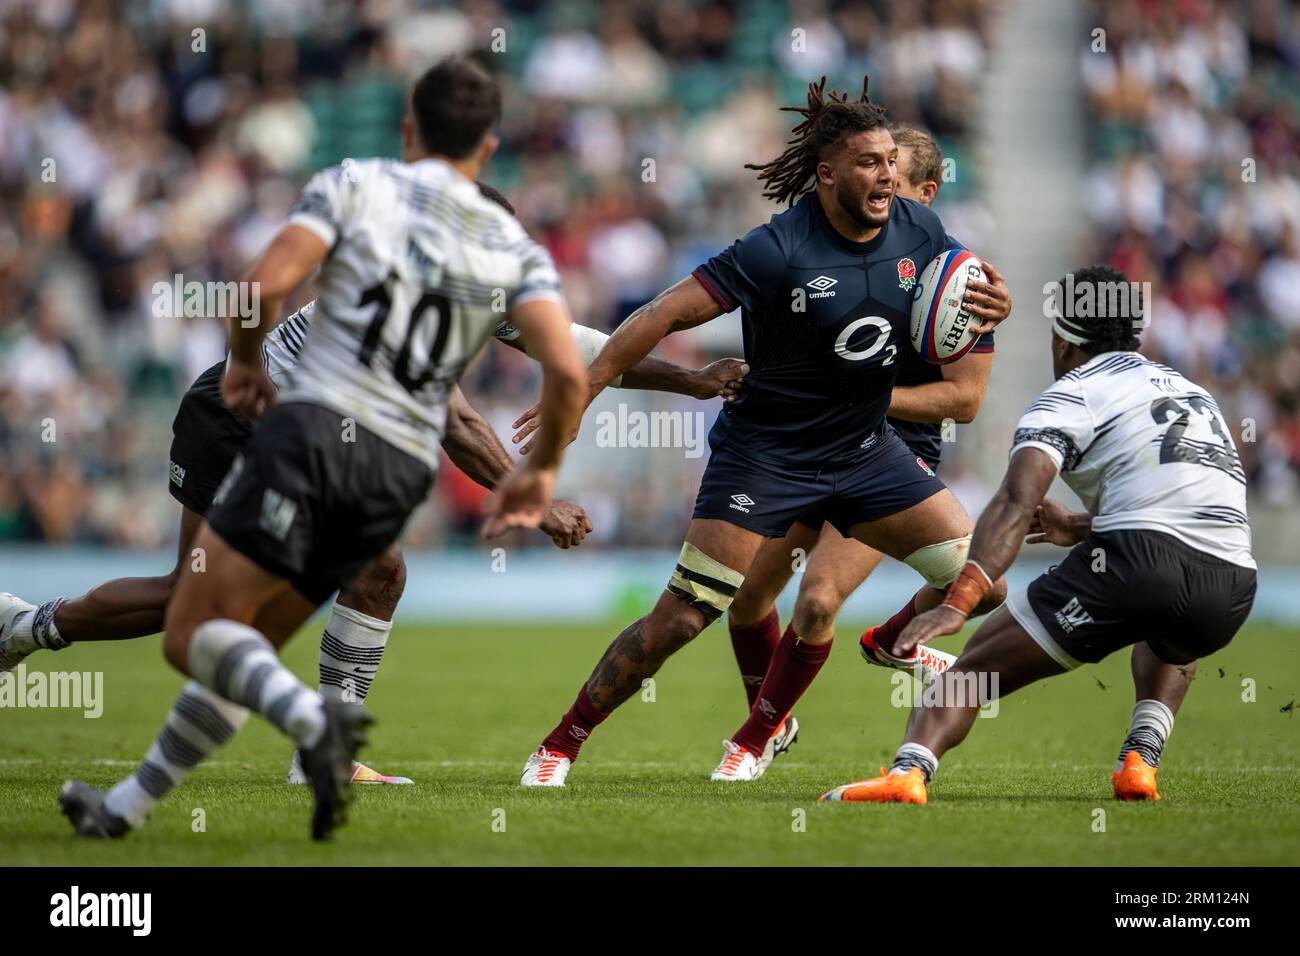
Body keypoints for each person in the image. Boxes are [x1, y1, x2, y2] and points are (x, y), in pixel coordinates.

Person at [0, 190, 745, 787]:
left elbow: (594, 351)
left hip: (261, 424)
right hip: (248, 421)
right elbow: (457, 424)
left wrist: (694, 381)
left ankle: (26, 629)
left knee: (193, 597)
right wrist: (539, 506)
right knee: (359, 574)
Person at [55, 54, 587, 840]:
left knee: (194, 632)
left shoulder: (358, 186)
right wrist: (538, 480)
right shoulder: (513, 251)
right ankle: (126, 808)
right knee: (259, 636)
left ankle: (315, 724)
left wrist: (242, 364)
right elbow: (569, 375)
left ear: (408, 130)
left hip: (310, 434)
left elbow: (257, 288)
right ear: (490, 146)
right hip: (393, 470)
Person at [518, 78, 1008, 788]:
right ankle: (560, 744)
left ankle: (883, 648)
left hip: (867, 451)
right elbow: (662, 313)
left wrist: (999, 300)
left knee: (980, 581)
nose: (885, 175)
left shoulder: (920, 228)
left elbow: (970, 296)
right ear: (828, 173)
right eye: (869, 163)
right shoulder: (777, 249)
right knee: (682, 621)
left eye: (890, 162)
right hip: (766, 457)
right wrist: (587, 388)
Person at [819, 265, 1256, 804]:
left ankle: (907, 774)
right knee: (1171, 627)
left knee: (969, 676)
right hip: (1232, 584)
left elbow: (1014, 502)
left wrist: (959, 601)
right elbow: (1190, 507)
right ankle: (1139, 760)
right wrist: (1076, 525)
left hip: (1138, 565)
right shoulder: (1195, 395)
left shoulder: (1072, 394)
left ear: (1064, 341)